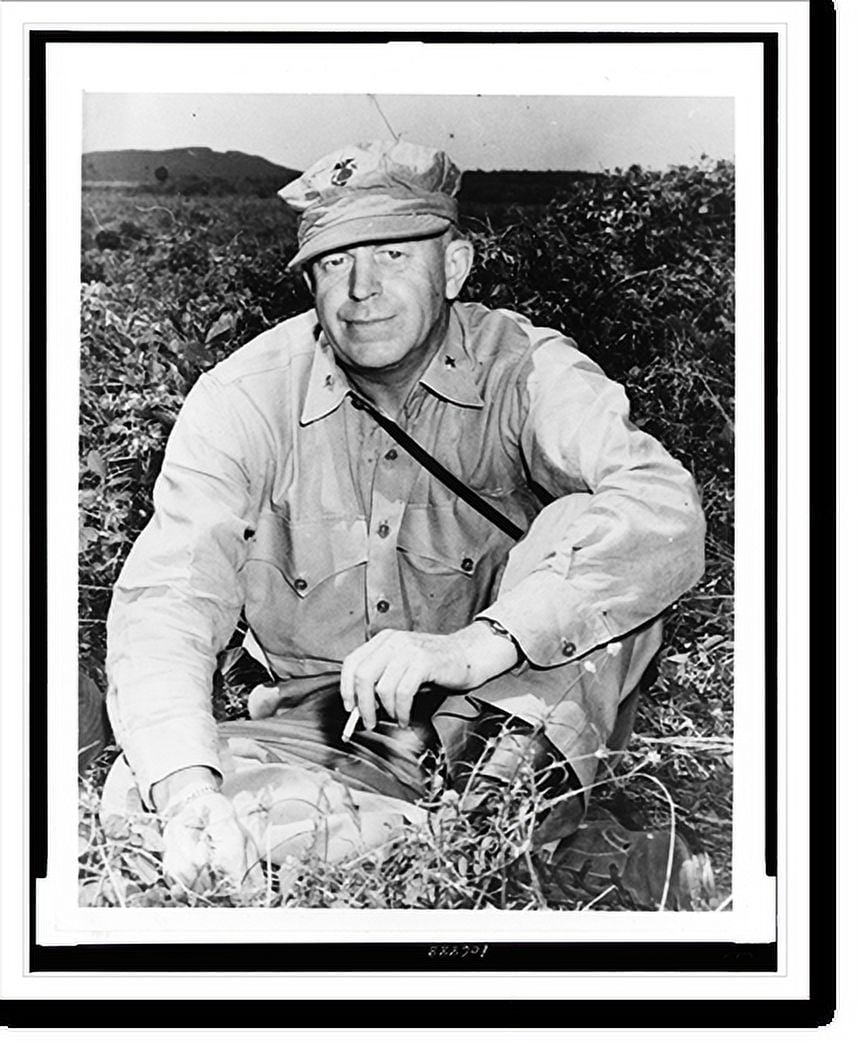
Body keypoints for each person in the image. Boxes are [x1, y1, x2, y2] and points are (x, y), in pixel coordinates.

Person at [103, 139, 709, 907]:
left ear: (453, 266)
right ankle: (503, 849)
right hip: (323, 730)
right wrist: (189, 791)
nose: (361, 290)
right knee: (152, 796)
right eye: (333, 263)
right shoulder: (246, 397)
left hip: (503, 707)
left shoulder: (522, 366)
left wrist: (473, 646)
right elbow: (171, 594)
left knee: (589, 524)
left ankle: (490, 828)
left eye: (391, 253)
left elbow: (662, 505)